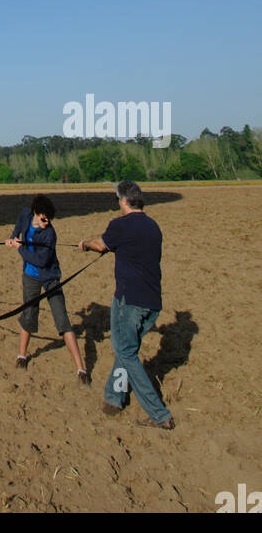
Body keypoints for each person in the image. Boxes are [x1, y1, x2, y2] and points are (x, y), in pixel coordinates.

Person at [79, 179, 174, 430]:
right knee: (125, 350)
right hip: (153, 302)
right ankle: (115, 398)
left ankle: (159, 414)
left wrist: (85, 244)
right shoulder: (154, 227)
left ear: (123, 200)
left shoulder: (120, 225)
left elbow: (101, 244)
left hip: (129, 300)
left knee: (127, 353)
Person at [6, 195, 89, 383]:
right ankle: (22, 356)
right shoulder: (26, 214)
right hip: (30, 277)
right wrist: (13, 237)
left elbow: (41, 261)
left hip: (50, 277)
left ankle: (80, 369)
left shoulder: (50, 234)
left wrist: (19, 248)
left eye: (49, 220)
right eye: (43, 219)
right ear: (35, 213)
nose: (46, 223)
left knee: (62, 319)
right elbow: (20, 224)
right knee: (29, 315)